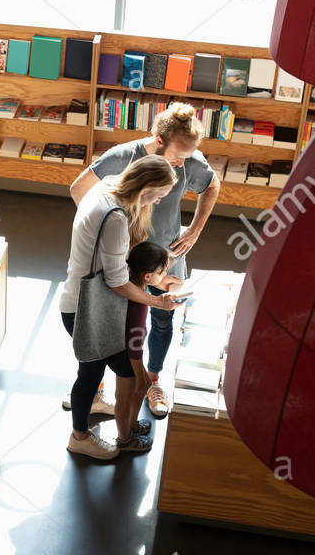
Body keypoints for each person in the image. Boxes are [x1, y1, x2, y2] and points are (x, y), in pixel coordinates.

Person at [69, 103, 221, 419]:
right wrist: (105, 232)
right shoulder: (124, 155)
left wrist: (194, 230)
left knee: (163, 318)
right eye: (180, 156)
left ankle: (152, 380)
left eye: (190, 156)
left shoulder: (188, 158)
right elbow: (79, 189)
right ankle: (95, 385)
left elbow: (212, 184)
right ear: (159, 141)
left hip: (167, 257)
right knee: (112, 322)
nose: (184, 163)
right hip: (124, 259)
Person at [61, 155, 179, 460]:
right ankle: (80, 437)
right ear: (147, 187)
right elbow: (116, 281)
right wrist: (157, 300)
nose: (157, 202)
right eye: (159, 195)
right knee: (90, 373)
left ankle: (120, 426)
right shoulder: (115, 217)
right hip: (86, 308)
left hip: (89, 300)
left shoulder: (107, 187)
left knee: (119, 369)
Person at [118, 241, 178, 454]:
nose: (163, 276)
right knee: (130, 394)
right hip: (128, 355)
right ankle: (125, 438)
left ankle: (132, 425)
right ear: (147, 277)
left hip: (129, 351)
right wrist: (139, 370)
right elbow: (134, 340)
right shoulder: (139, 305)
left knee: (140, 388)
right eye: (161, 273)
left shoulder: (136, 289)